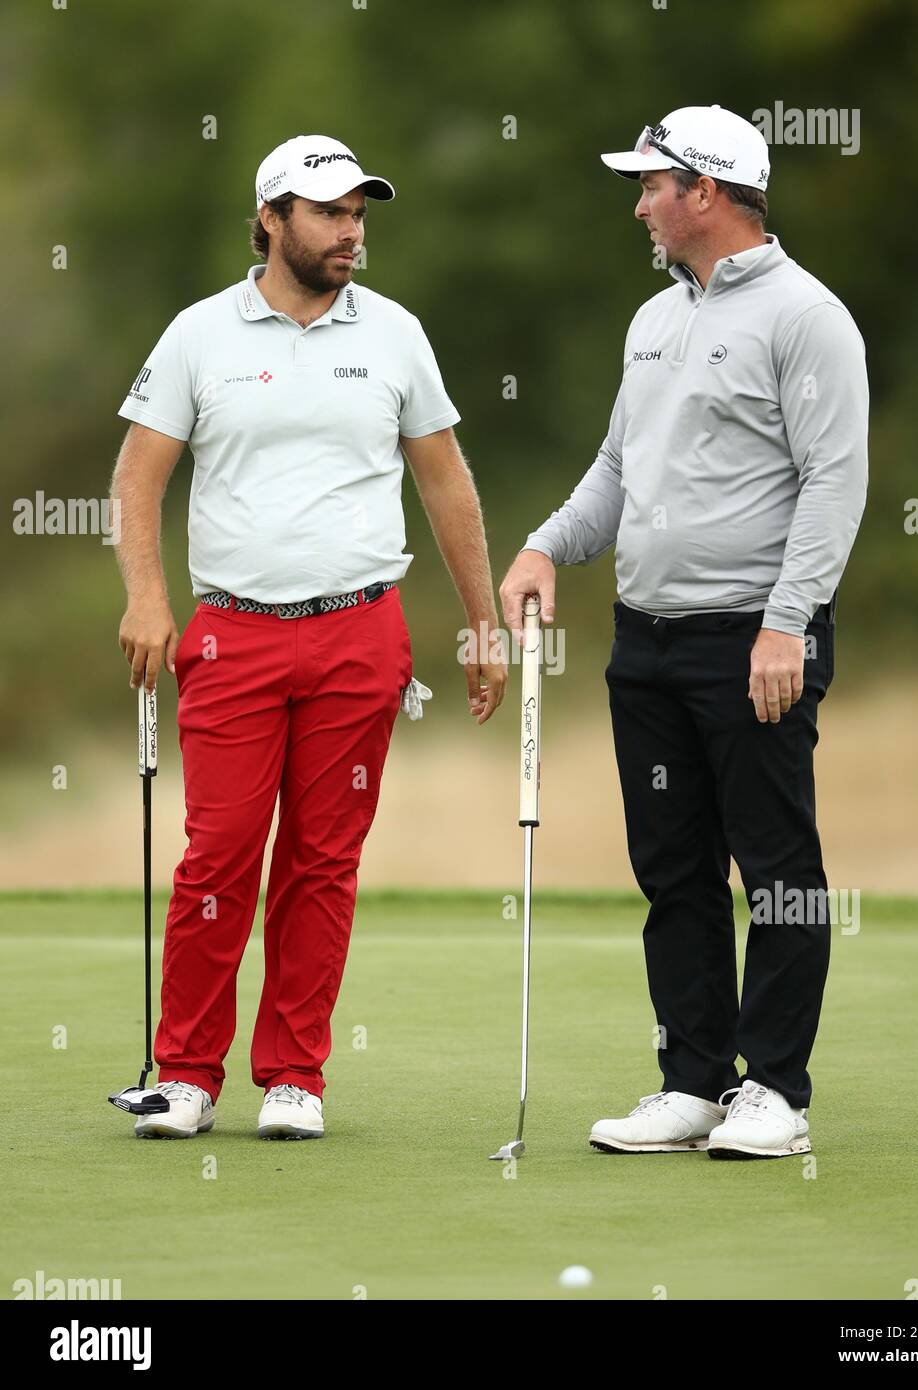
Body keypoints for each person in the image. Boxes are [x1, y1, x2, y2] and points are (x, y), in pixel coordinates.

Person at [112, 134, 506, 1140]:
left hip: (360, 631)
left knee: (323, 859)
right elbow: (139, 475)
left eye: (360, 214)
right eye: (330, 213)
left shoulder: (397, 334)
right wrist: (148, 598)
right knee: (221, 854)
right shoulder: (201, 334)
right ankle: (189, 1073)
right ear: (271, 220)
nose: (351, 231)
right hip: (234, 633)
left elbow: (444, 477)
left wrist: (484, 622)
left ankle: (295, 1076)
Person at [500, 105, 868, 1159]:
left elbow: (836, 480)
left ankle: (776, 1091)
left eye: (653, 184)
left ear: (705, 193)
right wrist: (542, 546)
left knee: (779, 867)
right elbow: (620, 470)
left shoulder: (806, 317)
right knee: (674, 870)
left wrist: (787, 623)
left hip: (752, 638)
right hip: (645, 641)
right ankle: (693, 1081)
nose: (641, 203)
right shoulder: (655, 318)